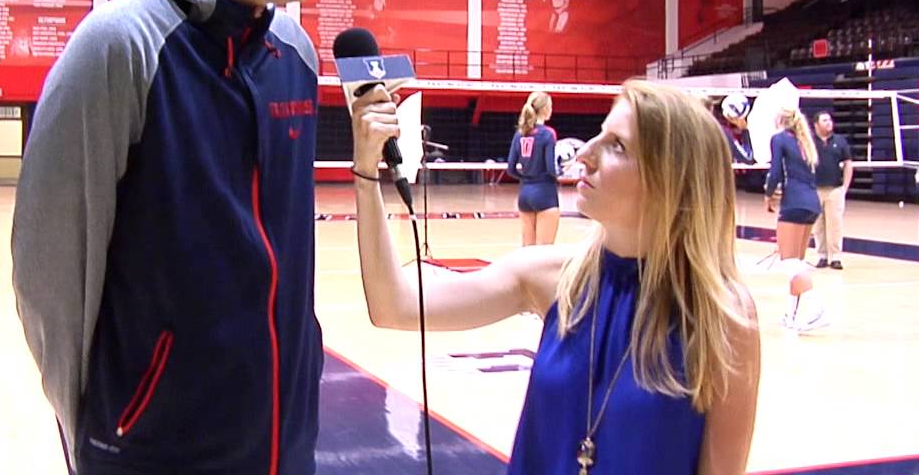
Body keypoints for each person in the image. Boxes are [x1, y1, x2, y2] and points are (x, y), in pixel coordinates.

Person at [11, 0, 350, 475]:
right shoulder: (119, 47)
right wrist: (110, 423)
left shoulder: (298, 58)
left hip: (285, 442)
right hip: (153, 449)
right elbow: (45, 272)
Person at [350, 79, 760, 474]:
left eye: (616, 146)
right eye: (599, 135)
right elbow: (395, 306)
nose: (585, 154)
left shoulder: (723, 316)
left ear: (671, 179)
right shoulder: (550, 277)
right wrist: (367, 175)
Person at [765, 107, 828, 332]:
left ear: (780, 119)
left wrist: (768, 195)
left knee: (788, 262)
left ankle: (816, 308)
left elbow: (775, 173)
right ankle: (790, 315)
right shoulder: (806, 142)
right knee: (796, 264)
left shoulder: (779, 139)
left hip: (794, 202)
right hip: (812, 202)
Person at [507, 91, 561, 246]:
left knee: (527, 252)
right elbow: (551, 169)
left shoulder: (520, 133)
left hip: (525, 195)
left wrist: (526, 177)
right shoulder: (548, 133)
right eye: (550, 106)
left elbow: (510, 168)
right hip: (545, 194)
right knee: (544, 253)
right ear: (544, 109)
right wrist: (561, 173)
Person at [810, 111, 853, 269]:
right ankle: (822, 255)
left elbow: (848, 164)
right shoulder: (810, 142)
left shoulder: (840, 141)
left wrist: (845, 188)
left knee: (835, 224)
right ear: (816, 124)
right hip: (814, 189)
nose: (829, 122)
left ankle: (835, 257)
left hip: (835, 189)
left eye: (830, 120)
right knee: (818, 225)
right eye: (825, 120)